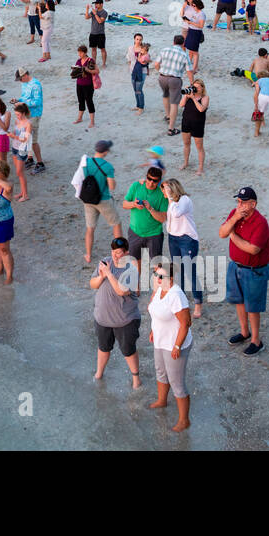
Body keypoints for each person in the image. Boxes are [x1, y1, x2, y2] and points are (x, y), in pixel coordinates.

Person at [220, 186, 269, 356]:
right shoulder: (235, 214)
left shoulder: (260, 222)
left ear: (253, 204)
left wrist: (232, 235)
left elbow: (253, 249)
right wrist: (234, 218)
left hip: (254, 270)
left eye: (244, 202)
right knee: (239, 301)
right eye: (238, 201)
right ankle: (244, 333)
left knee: (253, 307)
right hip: (236, 266)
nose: (240, 204)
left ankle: (256, 341)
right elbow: (222, 233)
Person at [147, 261, 193, 432]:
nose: (158, 278)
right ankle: (162, 400)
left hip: (174, 343)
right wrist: (153, 331)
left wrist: (177, 346)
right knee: (160, 371)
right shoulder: (160, 289)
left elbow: (186, 323)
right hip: (160, 339)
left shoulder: (176, 295)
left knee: (176, 382)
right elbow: (155, 312)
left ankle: (184, 420)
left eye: (162, 276)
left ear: (171, 278)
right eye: (156, 275)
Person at [89, 236, 141, 387]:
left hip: (125, 319)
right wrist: (101, 277)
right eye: (113, 252)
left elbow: (121, 291)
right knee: (103, 347)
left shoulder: (131, 268)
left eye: (118, 252)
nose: (115, 255)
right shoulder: (105, 262)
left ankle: (136, 378)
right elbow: (92, 284)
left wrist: (109, 274)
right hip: (102, 318)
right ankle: (99, 374)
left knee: (128, 350)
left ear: (126, 253)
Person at [162, 178, 203, 317]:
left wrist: (169, 197)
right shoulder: (171, 202)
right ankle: (182, 300)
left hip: (187, 240)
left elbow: (176, 213)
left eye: (166, 189)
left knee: (190, 272)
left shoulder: (184, 200)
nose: (163, 191)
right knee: (179, 271)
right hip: (173, 239)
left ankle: (198, 304)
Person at [75, 140, 119, 260]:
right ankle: (119, 252)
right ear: (106, 152)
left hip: (88, 199)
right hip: (103, 199)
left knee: (90, 228)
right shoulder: (107, 166)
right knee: (116, 224)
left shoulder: (86, 162)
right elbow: (112, 187)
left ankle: (88, 255)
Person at [122, 166, 167, 267]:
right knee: (135, 263)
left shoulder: (162, 194)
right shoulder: (136, 186)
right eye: (149, 179)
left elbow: (163, 218)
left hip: (154, 234)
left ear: (159, 181)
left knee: (157, 265)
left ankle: (159, 282)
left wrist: (151, 209)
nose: (151, 182)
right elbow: (124, 204)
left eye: (154, 181)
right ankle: (138, 282)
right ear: (146, 177)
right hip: (135, 232)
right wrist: (134, 204)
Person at [154, 34, 192, 134]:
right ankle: (171, 129)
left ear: (173, 42)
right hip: (175, 79)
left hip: (162, 77)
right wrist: (192, 83)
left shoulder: (164, 50)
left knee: (165, 96)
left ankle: (168, 116)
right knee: (174, 103)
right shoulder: (184, 54)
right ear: (183, 43)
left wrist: (160, 72)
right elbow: (189, 71)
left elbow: (156, 64)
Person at [12, 68, 45, 173]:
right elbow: (24, 97)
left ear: (25, 75)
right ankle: (30, 159)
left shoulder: (35, 85)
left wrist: (23, 104)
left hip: (34, 115)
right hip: (27, 113)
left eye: (21, 78)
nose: (20, 81)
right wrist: (18, 100)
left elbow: (37, 102)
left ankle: (40, 163)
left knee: (33, 140)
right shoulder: (24, 83)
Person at [179, 78, 209, 174]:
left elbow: (201, 109)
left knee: (199, 147)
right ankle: (186, 162)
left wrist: (193, 98)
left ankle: (200, 167)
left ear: (202, 88)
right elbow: (181, 105)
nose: (194, 89)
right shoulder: (189, 96)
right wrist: (186, 96)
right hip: (186, 122)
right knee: (186, 144)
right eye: (193, 87)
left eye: (196, 87)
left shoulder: (205, 98)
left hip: (198, 124)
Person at [72, 45, 99, 127]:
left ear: (85, 52)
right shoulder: (78, 61)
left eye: (81, 52)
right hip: (79, 84)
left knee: (89, 102)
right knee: (81, 101)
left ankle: (92, 121)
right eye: (78, 52)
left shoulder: (91, 60)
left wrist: (88, 70)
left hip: (88, 85)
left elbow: (97, 71)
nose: (79, 54)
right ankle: (80, 118)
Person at [84, 0, 109, 67]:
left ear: (101, 4)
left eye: (97, 4)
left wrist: (95, 14)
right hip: (93, 33)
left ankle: (104, 63)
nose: (96, 5)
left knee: (102, 49)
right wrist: (87, 10)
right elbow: (86, 17)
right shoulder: (94, 11)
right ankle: (94, 63)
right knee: (93, 49)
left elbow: (100, 21)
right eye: (95, 4)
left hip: (100, 33)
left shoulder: (104, 12)